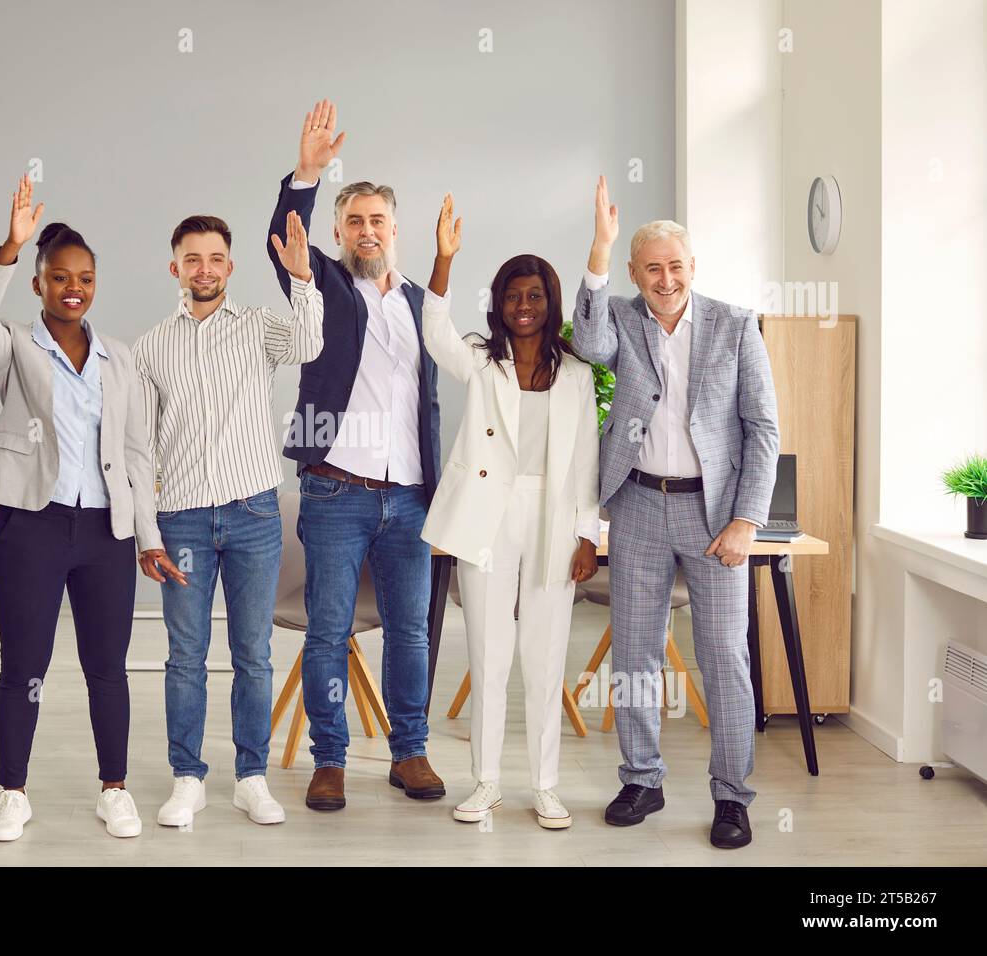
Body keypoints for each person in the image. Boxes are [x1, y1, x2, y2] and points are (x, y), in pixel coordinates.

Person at [0, 176, 187, 842]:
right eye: (60, 277)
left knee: (106, 668)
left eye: (85, 277)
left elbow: (138, 456)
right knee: (23, 666)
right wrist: (11, 245)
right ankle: (12, 791)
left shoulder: (119, 360)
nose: (74, 287)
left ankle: (114, 789)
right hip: (32, 528)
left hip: (105, 535)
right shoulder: (16, 349)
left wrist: (147, 539)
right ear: (39, 285)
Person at [571, 176, 779, 849]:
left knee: (724, 656)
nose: (665, 280)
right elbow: (586, 340)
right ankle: (642, 779)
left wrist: (748, 518)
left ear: (694, 268)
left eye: (676, 267)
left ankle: (731, 796)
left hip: (713, 513)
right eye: (652, 268)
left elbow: (763, 429)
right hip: (636, 504)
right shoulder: (622, 321)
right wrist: (599, 249)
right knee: (634, 651)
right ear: (635, 273)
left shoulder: (735, 325)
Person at [266, 99, 444, 811]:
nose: (366, 231)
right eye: (354, 222)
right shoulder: (324, 287)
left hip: (409, 498)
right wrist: (304, 177)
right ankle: (330, 759)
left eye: (378, 221)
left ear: (393, 230)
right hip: (337, 491)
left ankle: (411, 753)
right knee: (328, 631)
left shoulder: (423, 302)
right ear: (336, 232)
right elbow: (282, 239)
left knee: (409, 630)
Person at [133, 211, 322, 828]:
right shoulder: (151, 345)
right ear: (176, 268)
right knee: (185, 654)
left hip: (253, 514)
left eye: (215, 259)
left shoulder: (261, 326)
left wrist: (302, 279)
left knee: (253, 653)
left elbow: (311, 344)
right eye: (193, 259)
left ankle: (251, 777)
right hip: (182, 518)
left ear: (230, 266)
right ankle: (187, 777)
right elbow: (138, 446)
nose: (204, 270)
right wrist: (147, 530)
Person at [419, 194, 601, 829]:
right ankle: (486, 782)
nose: (523, 307)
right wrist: (444, 258)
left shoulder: (576, 375)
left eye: (535, 297)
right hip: (488, 518)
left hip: (552, 515)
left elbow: (585, 463)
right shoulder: (479, 360)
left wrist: (589, 536)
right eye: (511, 297)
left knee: (546, 658)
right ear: (497, 304)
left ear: (550, 303)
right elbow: (433, 330)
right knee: (489, 655)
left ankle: (546, 786)